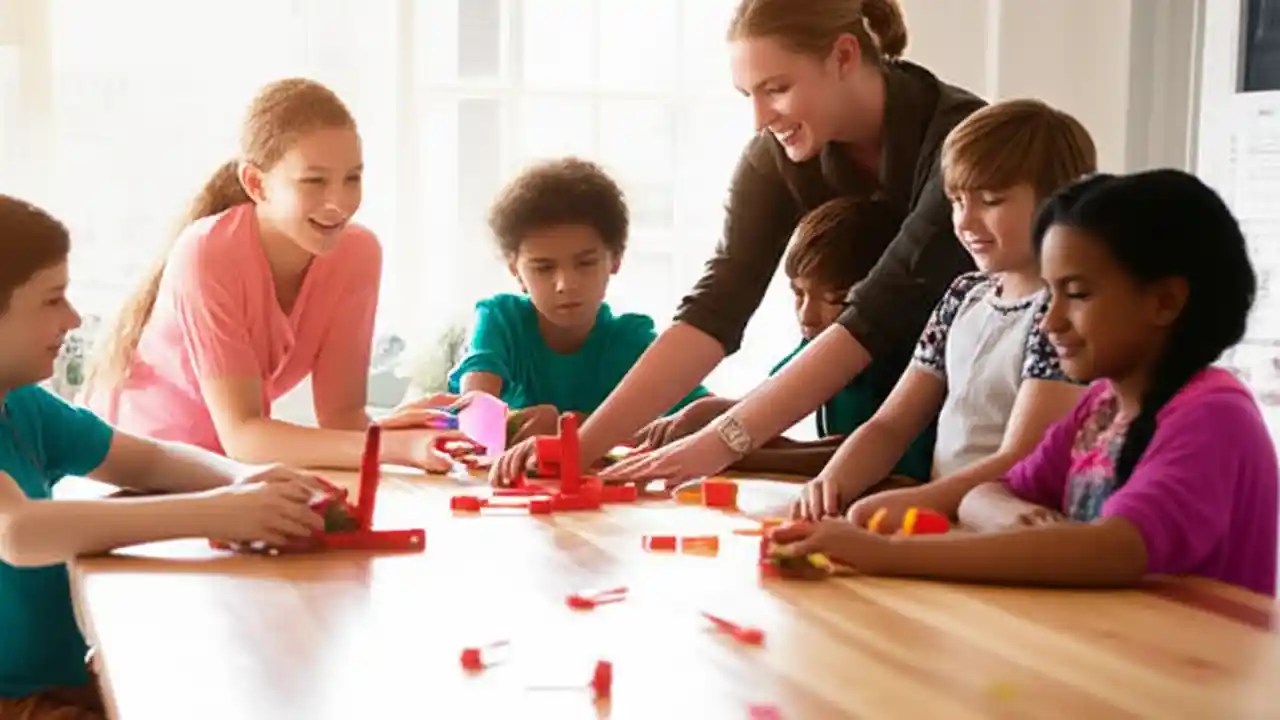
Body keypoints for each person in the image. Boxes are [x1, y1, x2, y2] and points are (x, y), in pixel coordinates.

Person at [493, 0, 987, 484]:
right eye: (748, 94)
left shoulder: (961, 143)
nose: (759, 118)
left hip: (980, 424)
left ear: (843, 56)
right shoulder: (775, 156)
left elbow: (874, 315)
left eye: (777, 88)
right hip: (870, 418)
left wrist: (724, 441)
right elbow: (716, 307)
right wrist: (580, 447)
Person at [770, 170, 1278, 597]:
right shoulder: (1100, 409)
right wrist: (1011, 515)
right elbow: (984, 494)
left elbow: (1116, 549)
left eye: (1076, 294)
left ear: (1164, 302)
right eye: (1050, 294)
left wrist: (887, 554)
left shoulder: (1212, 417)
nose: (1050, 321)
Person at [0, 194, 327, 718]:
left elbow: (149, 461)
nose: (73, 317)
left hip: (59, 686)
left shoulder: (24, 405)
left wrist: (244, 477)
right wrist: (218, 512)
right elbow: (19, 533)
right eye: (52, 300)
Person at [81, 78, 456, 472]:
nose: (340, 202)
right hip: (138, 464)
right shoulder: (209, 252)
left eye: (352, 178)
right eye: (314, 181)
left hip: (236, 472)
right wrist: (394, 449)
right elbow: (243, 435)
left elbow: (342, 416)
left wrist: (401, 430)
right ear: (257, 184)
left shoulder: (358, 253)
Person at [790, 99, 1095, 518]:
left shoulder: (1062, 315)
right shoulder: (962, 296)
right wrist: (831, 485)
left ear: (1057, 202)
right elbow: (890, 426)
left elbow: (1020, 459)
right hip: (946, 519)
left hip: (1016, 522)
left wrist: (911, 502)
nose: (965, 222)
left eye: (990, 200)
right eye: (956, 201)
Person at [634, 196, 933, 479]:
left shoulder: (909, 364)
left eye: (836, 299)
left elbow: (878, 456)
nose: (807, 316)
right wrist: (702, 415)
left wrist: (730, 454)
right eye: (798, 293)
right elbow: (762, 407)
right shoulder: (813, 345)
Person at [444, 157, 707, 441]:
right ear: (515, 270)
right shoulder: (501, 321)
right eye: (544, 268)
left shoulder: (631, 342)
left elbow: (708, 421)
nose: (565, 285)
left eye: (585, 263)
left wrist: (570, 427)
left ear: (615, 259)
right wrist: (516, 424)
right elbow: (474, 417)